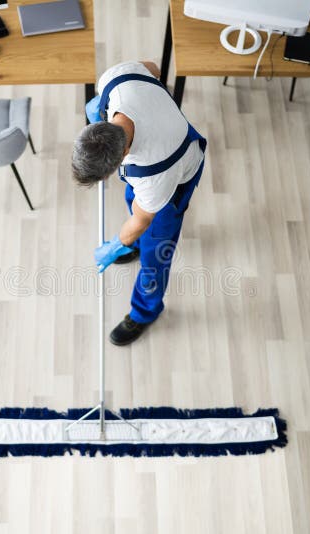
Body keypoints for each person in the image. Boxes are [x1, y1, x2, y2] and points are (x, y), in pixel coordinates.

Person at [71, 60, 207, 345]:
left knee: (155, 254)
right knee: (133, 203)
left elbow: (141, 220)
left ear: (122, 156)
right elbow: (153, 68)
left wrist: (116, 243)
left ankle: (145, 312)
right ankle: (134, 245)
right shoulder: (115, 81)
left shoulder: (154, 174)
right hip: (157, 150)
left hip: (177, 174)